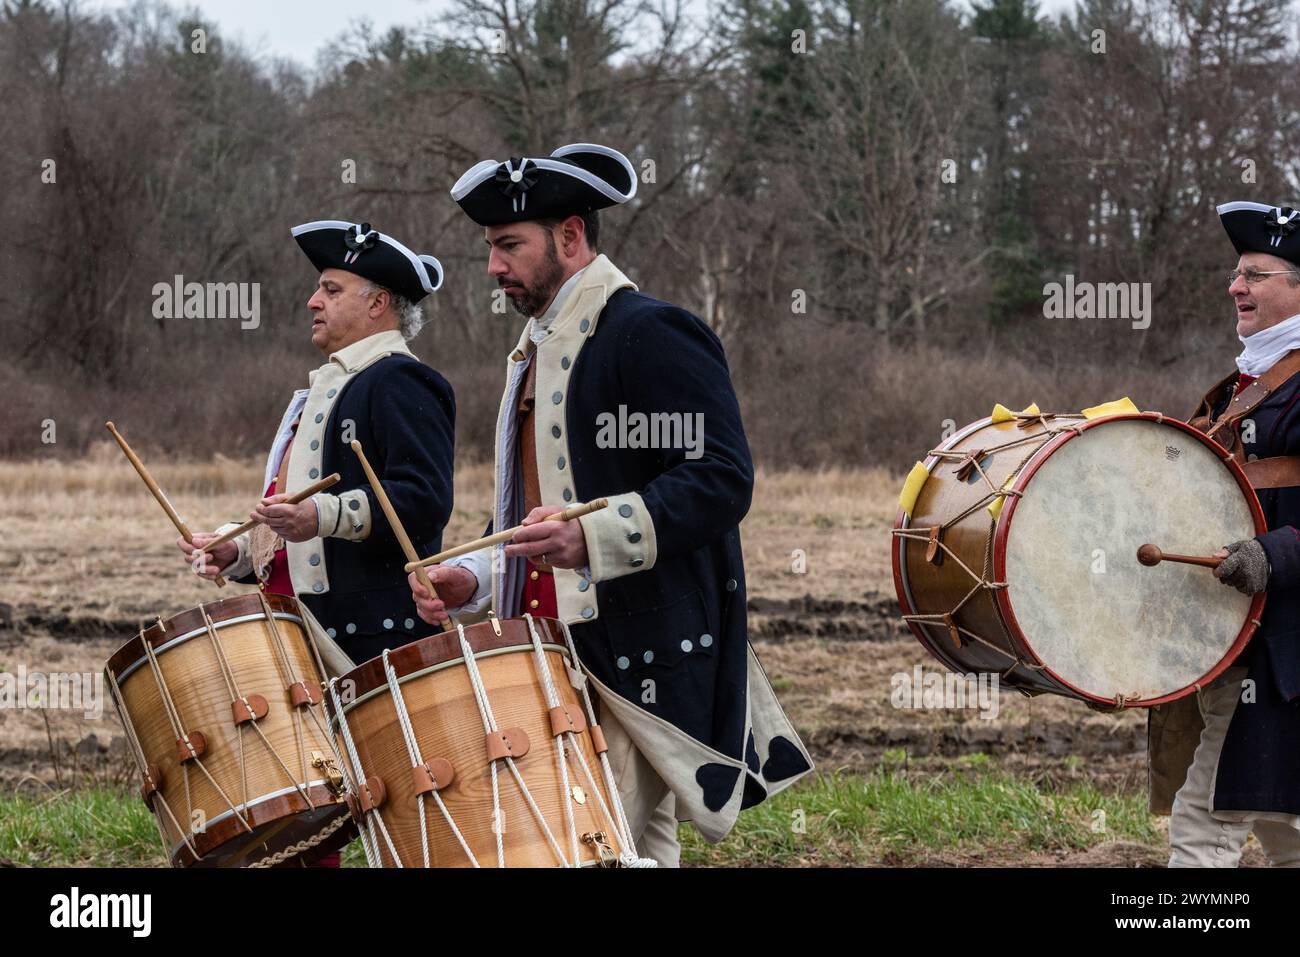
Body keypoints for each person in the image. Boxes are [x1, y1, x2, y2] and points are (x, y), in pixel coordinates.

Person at [408, 143, 813, 866]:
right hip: (545, 649)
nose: (493, 266)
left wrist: (595, 535)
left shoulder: (649, 331)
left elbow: (721, 476)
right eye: (490, 248)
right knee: (631, 851)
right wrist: (471, 576)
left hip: (630, 655)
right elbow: (531, 508)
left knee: (582, 849)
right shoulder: (536, 347)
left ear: (570, 236)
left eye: (508, 246)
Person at [1150, 201, 1300, 867]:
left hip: (1285, 651)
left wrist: (1270, 554)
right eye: (1237, 273)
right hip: (1242, 640)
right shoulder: (1245, 384)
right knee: (1281, 820)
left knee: (1205, 824)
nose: (1235, 286)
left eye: (1256, 274)